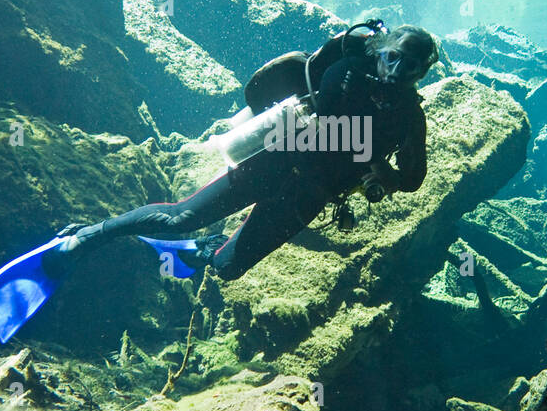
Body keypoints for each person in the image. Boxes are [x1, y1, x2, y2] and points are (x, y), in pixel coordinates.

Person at [48, 21, 439, 281]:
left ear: (421, 74)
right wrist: (375, 159)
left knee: (228, 268)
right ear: (380, 50)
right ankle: (88, 236)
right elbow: (316, 93)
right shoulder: (350, 63)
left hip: (310, 195)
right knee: (180, 218)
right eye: (393, 58)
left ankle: (206, 251)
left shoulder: (409, 117)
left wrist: (386, 174)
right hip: (275, 159)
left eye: (409, 68)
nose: (396, 72)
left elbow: (413, 179)